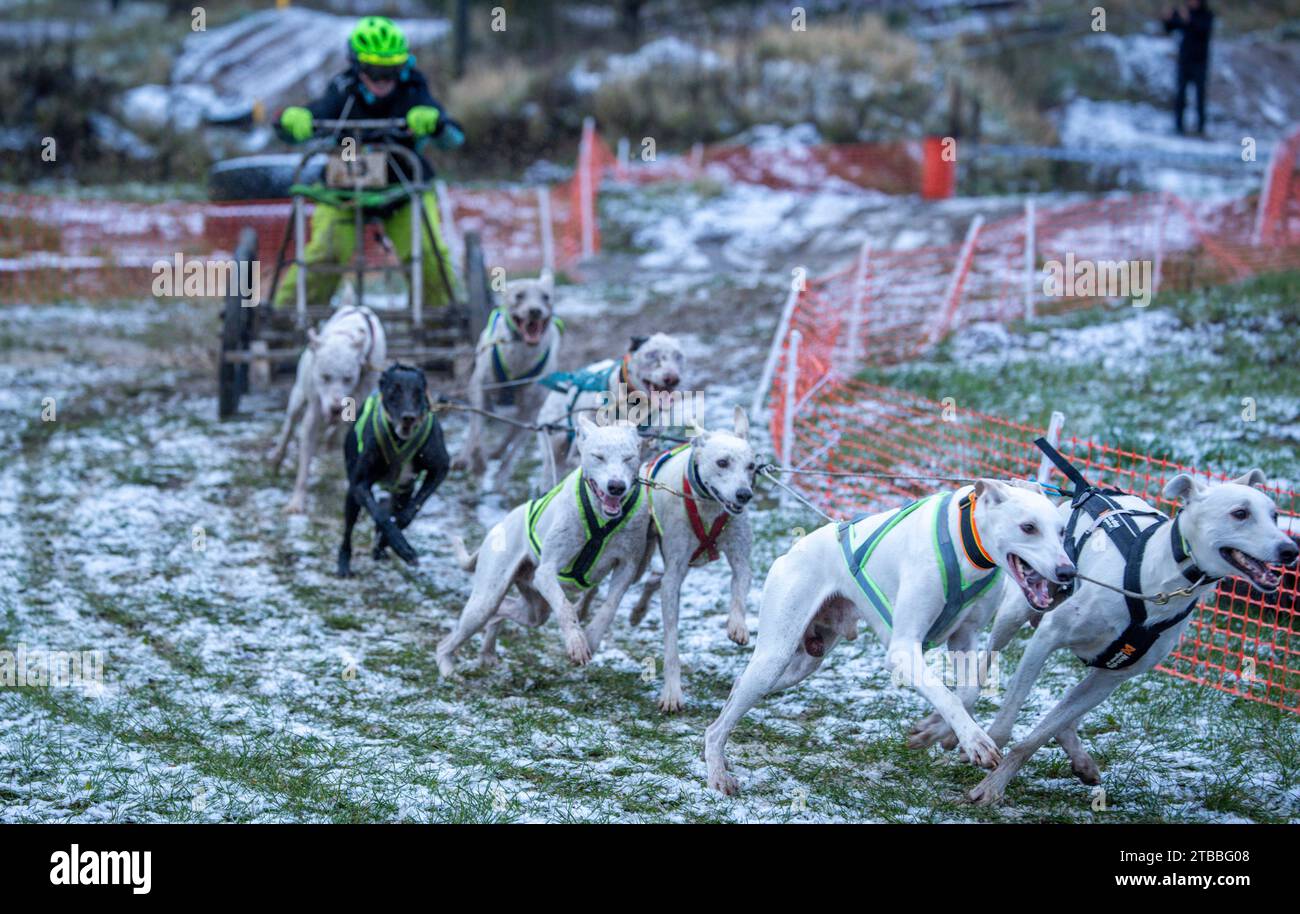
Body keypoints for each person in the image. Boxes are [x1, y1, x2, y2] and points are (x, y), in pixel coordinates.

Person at [273, 15, 465, 310]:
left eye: (392, 70)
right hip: (345, 194)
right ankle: (286, 323)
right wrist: (294, 121)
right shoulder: (342, 89)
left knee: (428, 254)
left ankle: (435, 325)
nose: (384, 80)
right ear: (358, 67)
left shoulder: (414, 90)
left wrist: (434, 124)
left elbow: (453, 137)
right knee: (324, 253)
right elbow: (316, 114)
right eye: (375, 71)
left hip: (403, 190)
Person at [1162, 1, 1214, 136]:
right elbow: (1171, 27)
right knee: (1180, 95)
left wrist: (1188, 20)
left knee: (1200, 96)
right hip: (1184, 61)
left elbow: (1203, 30)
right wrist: (1167, 18)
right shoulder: (1186, 13)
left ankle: (1201, 127)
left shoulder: (1206, 15)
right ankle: (1178, 126)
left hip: (1200, 61)